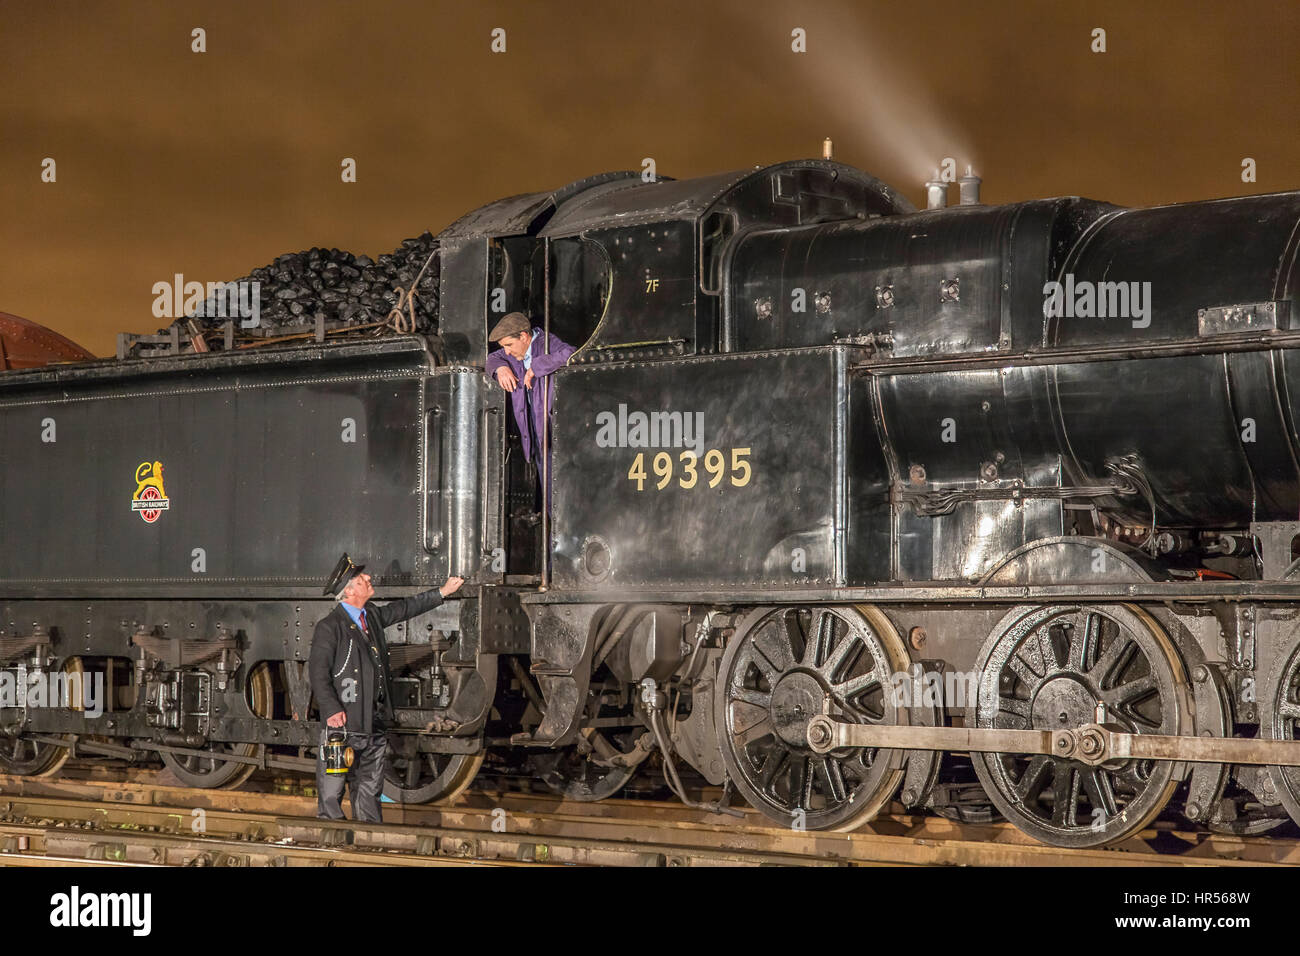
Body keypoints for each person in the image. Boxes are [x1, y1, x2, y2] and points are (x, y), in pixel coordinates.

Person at [308, 552, 464, 822]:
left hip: (374, 719)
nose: (368, 578)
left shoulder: (372, 616)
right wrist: (332, 709)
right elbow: (318, 672)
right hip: (343, 721)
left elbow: (406, 608)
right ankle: (332, 833)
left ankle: (368, 833)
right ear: (349, 591)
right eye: (360, 578)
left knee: (370, 784)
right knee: (333, 784)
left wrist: (442, 592)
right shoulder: (330, 627)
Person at [484, 313, 576, 500]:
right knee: (549, 496)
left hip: (556, 436)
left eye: (509, 345)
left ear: (524, 337)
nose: (507, 352)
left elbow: (570, 353)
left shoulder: (546, 343)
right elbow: (492, 358)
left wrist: (537, 366)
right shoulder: (513, 353)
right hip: (538, 439)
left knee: (562, 496)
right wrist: (501, 368)